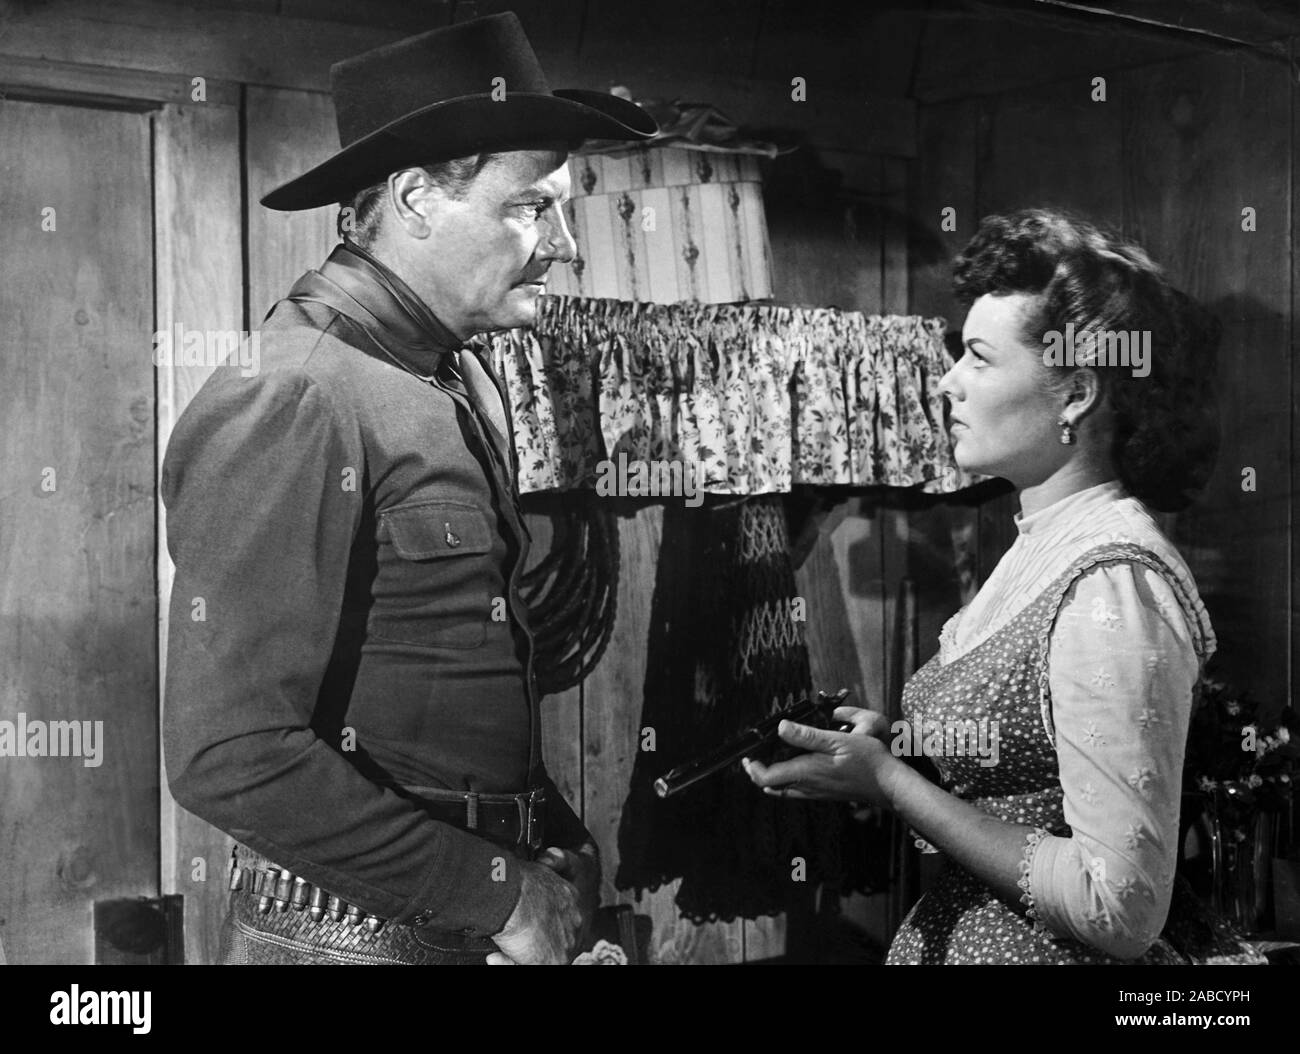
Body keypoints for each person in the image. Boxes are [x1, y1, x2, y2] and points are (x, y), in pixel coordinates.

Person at [161, 13, 656, 965]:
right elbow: (227, 755)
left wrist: (554, 843)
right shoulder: (296, 393)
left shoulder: (456, 375)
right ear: (418, 196)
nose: (563, 244)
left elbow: (453, 671)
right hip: (342, 939)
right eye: (528, 208)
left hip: (462, 914)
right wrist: (505, 898)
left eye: (562, 209)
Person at [745, 208, 1262, 963]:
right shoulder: (1043, 545)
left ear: (1077, 393)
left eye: (981, 358)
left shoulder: (1115, 582)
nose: (948, 381)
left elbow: (1117, 906)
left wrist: (893, 783)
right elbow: (1024, 779)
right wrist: (896, 752)